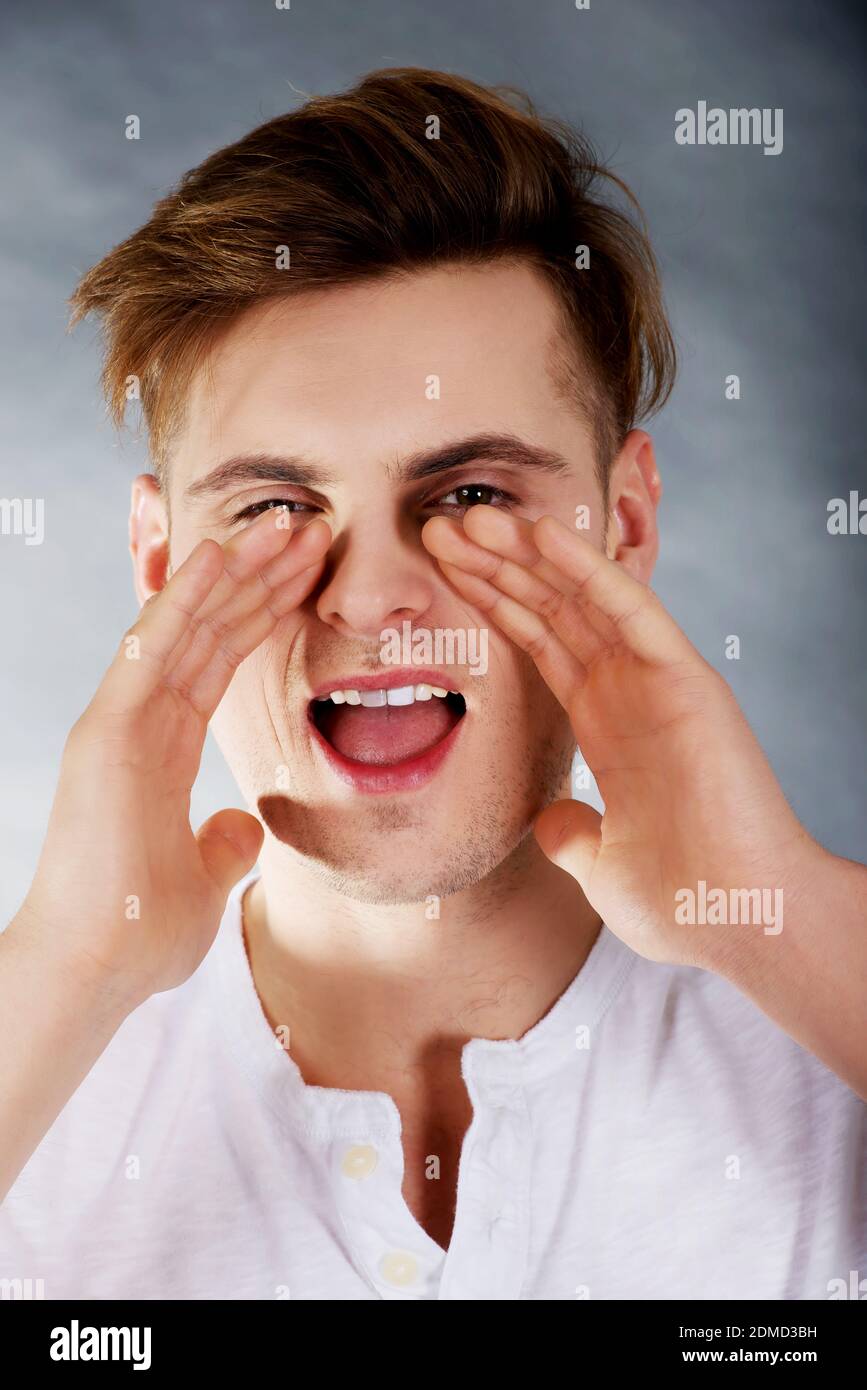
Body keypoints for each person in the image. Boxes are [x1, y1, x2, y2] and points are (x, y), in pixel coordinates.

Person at [1, 68, 864, 1302]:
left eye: (469, 497)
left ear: (623, 524)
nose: (367, 598)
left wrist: (775, 909)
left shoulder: (829, 1042)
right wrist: (70, 968)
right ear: (158, 561)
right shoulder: (34, 1073)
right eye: (276, 510)